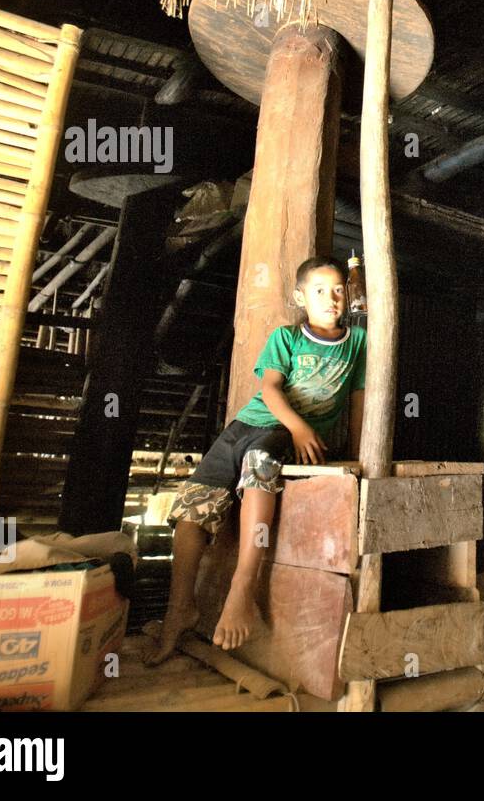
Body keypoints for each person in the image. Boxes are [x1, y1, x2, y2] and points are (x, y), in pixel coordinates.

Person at [147, 256, 366, 665]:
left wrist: (355, 453)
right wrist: (299, 428)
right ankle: (180, 608)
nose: (331, 298)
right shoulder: (286, 338)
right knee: (194, 503)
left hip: (278, 434)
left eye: (339, 289)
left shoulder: (358, 343)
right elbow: (268, 390)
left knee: (259, 468)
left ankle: (242, 587)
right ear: (301, 297)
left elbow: (359, 400)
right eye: (319, 291)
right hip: (248, 424)